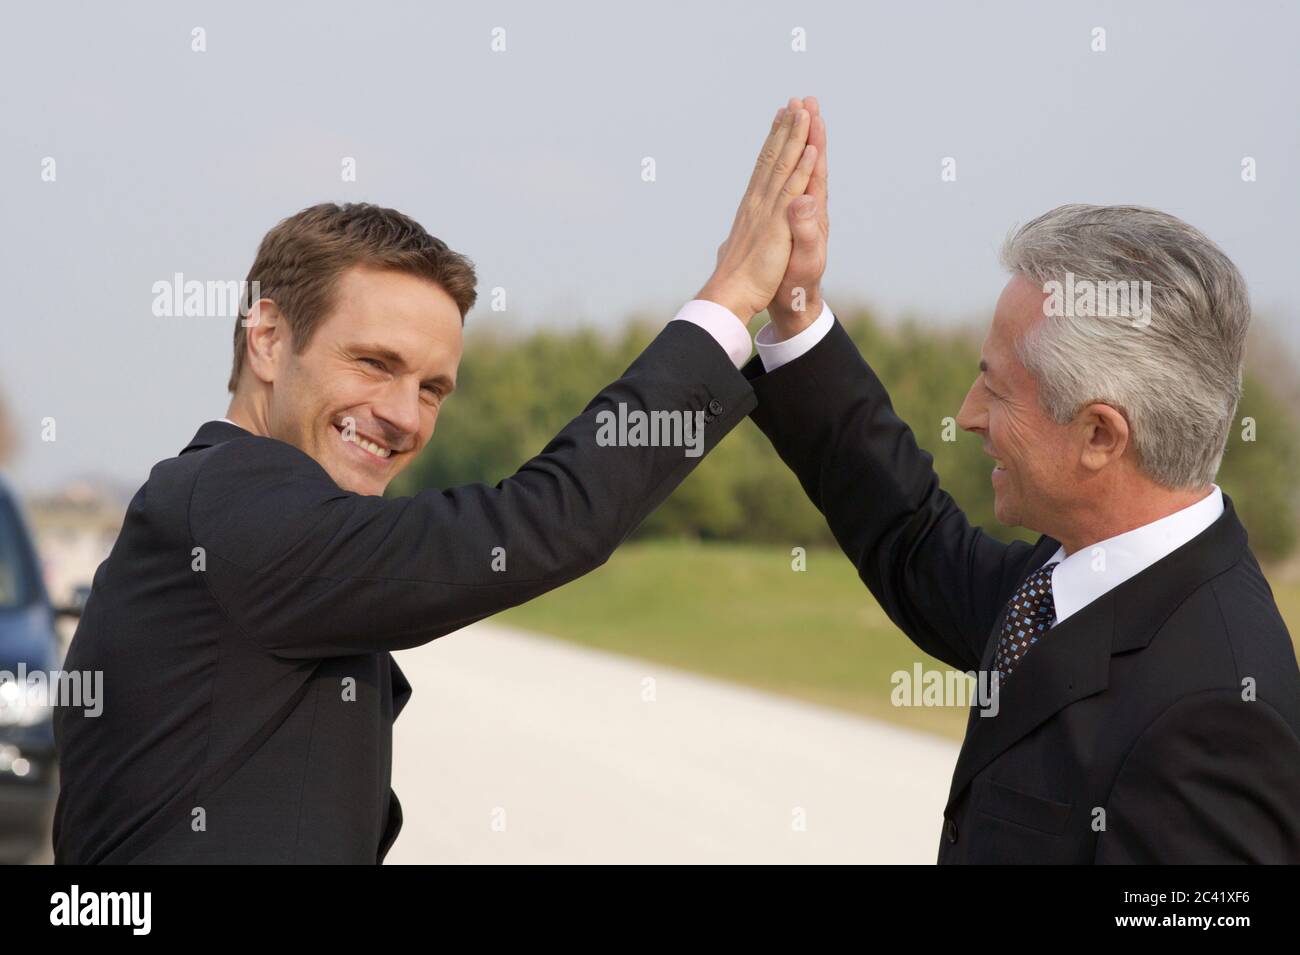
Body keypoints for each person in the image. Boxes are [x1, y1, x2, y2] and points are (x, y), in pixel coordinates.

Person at [53, 100, 823, 864]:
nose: (401, 415)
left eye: (432, 388)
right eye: (374, 363)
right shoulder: (227, 502)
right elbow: (533, 525)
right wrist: (727, 304)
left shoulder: (237, 513)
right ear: (266, 338)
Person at [751, 96, 1300, 862]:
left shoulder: (1215, 714)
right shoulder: (1069, 578)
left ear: (1100, 435)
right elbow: (917, 543)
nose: (967, 414)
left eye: (997, 389)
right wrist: (796, 312)